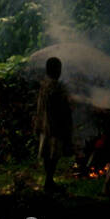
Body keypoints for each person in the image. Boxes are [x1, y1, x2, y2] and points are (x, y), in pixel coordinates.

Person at [35, 57, 73, 193]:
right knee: (53, 155)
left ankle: (49, 181)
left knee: (47, 154)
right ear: (56, 70)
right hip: (55, 127)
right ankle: (49, 181)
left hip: (44, 125)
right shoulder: (57, 87)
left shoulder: (44, 85)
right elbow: (63, 109)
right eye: (59, 68)